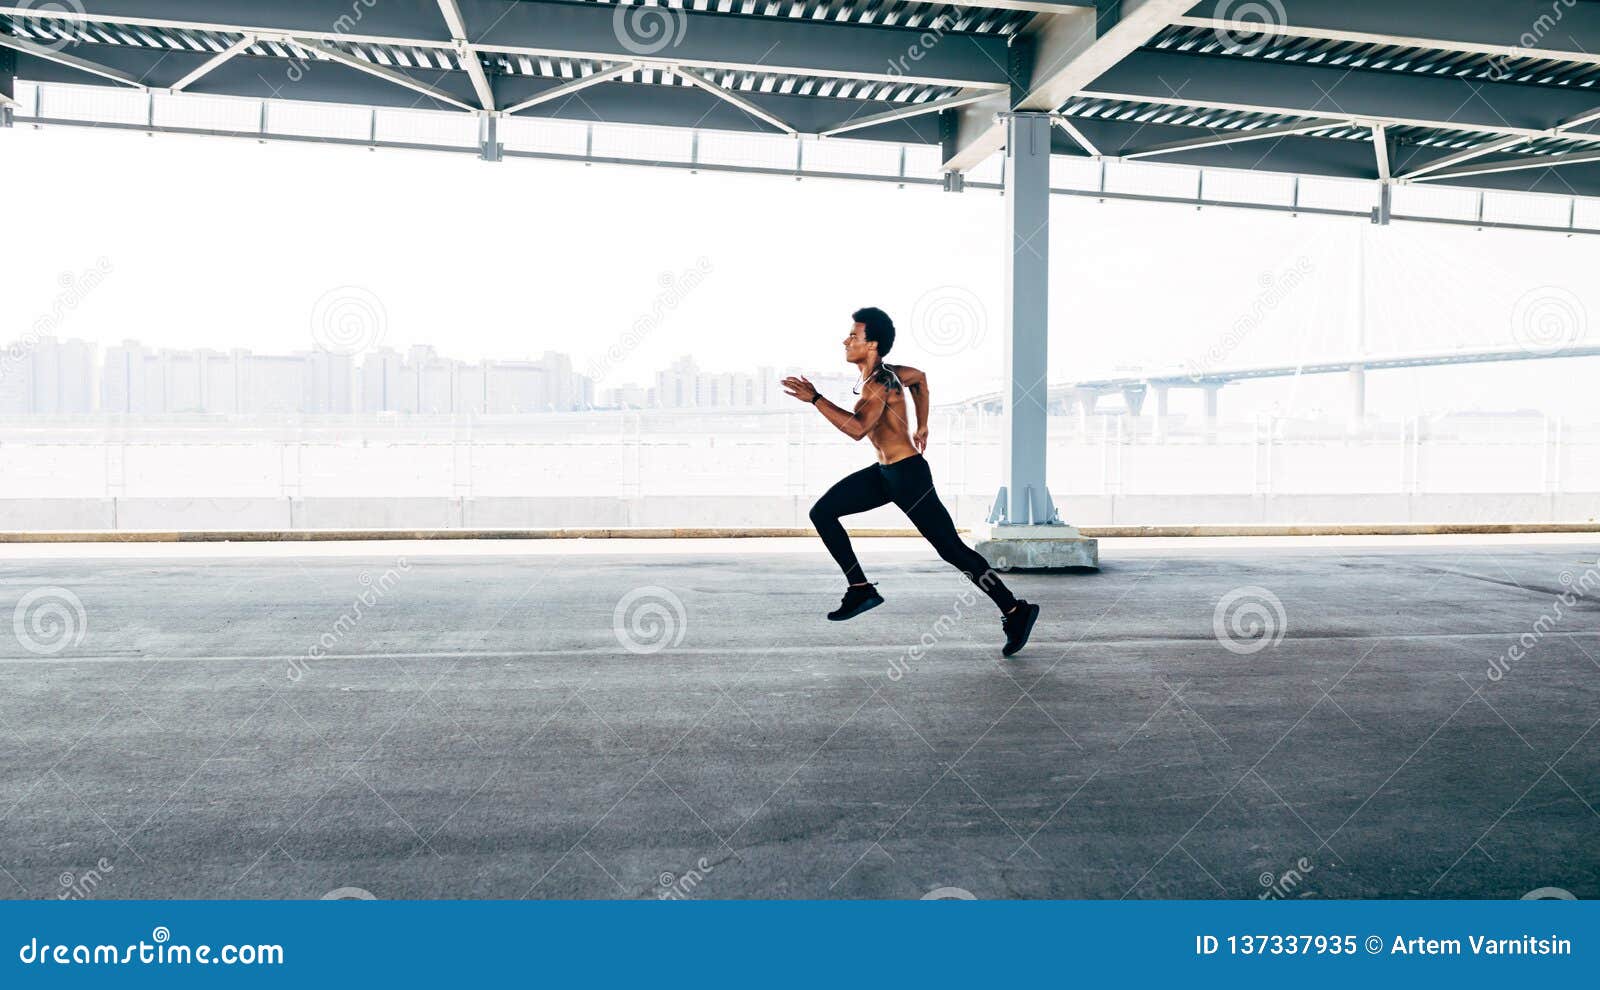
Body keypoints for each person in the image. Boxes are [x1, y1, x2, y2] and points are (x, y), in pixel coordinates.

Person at [782, 307, 1041, 657]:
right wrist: (923, 424)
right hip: (886, 474)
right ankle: (860, 588)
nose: (846, 340)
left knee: (952, 550)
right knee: (823, 513)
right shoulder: (890, 374)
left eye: (853, 336)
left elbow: (858, 429)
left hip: (908, 477)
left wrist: (815, 399)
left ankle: (1015, 609)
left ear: (871, 344)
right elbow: (918, 377)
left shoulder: (878, 384)